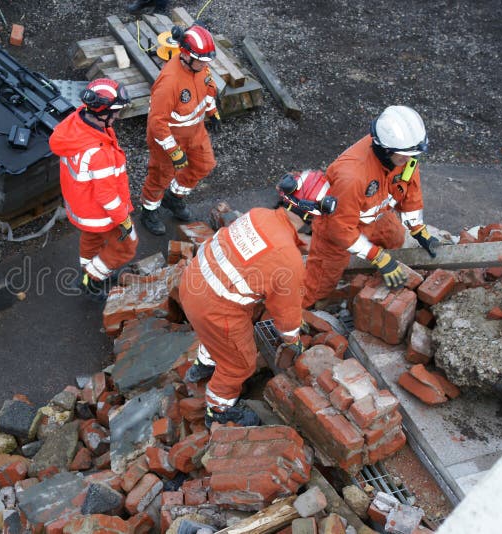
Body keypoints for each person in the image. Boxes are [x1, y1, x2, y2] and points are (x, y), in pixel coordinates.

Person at [179, 206, 306, 427]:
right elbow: (286, 315)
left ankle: (203, 365)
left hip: (193, 282)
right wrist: (293, 341)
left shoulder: (259, 214)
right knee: (240, 364)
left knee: (213, 336)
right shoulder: (289, 259)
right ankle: (218, 411)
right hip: (215, 309)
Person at [302, 105, 440, 308]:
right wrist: (377, 256)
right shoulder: (352, 177)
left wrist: (418, 228)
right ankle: (296, 310)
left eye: (414, 155)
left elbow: (409, 189)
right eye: (405, 156)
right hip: (337, 228)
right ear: (385, 150)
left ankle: (366, 276)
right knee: (321, 281)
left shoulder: (404, 155)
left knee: (395, 237)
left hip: (375, 214)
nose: (410, 161)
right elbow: (339, 228)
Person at [49, 79, 138, 302]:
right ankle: (93, 278)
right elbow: (107, 196)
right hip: (100, 214)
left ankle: (88, 268)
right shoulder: (99, 153)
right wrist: (124, 220)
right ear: (102, 112)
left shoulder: (76, 122)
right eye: (115, 112)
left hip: (82, 207)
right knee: (127, 246)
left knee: (91, 241)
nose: (117, 117)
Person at [139, 24, 220, 236]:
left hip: (195, 132)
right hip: (169, 140)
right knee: (160, 177)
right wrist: (173, 151)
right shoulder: (169, 83)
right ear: (186, 55)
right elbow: (157, 123)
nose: (205, 64)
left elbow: (209, 90)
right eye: (202, 60)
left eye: (207, 61)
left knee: (204, 164)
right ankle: (148, 211)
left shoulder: (200, 66)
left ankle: (173, 198)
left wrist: (213, 113)